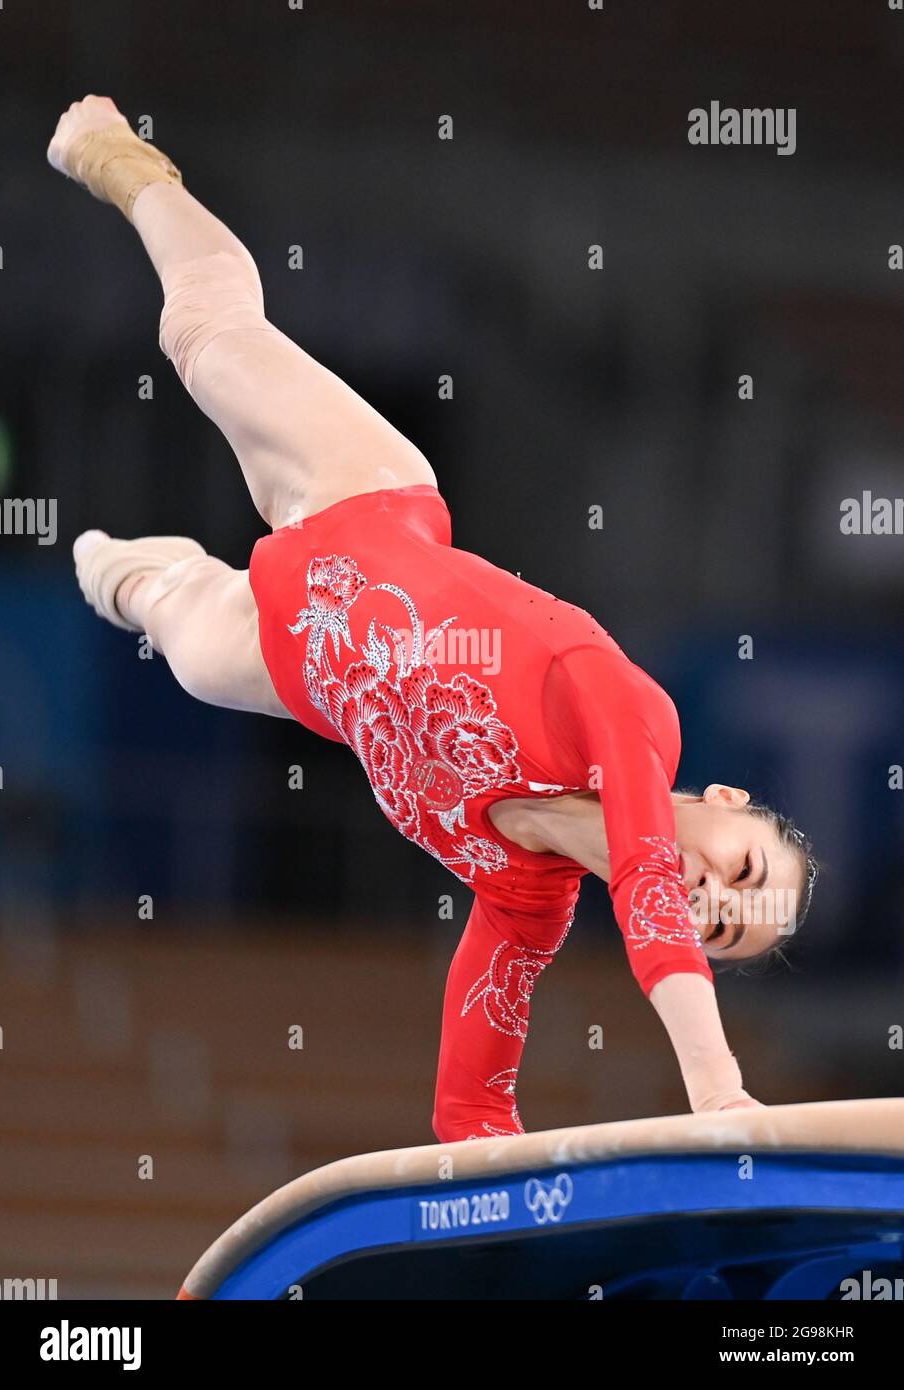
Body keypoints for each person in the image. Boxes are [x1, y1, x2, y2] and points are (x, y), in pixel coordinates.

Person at [49, 96, 817, 1142]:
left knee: (173, 633)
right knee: (203, 338)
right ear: (724, 799)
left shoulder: (524, 897)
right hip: (359, 502)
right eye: (738, 869)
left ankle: (128, 570)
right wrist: (716, 1089)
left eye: (720, 925)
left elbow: (469, 1103)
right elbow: (642, 885)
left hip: (298, 661)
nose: (704, 898)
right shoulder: (630, 715)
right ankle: (135, 170)